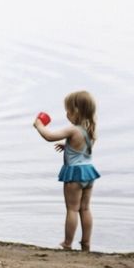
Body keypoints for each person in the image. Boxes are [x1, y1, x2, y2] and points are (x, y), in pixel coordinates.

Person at [32, 91, 100, 251]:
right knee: (85, 208)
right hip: (88, 173)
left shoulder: (73, 130)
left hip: (75, 174)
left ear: (76, 111)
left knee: (72, 209)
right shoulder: (90, 130)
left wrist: (39, 125)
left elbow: (49, 136)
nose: (66, 114)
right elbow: (82, 149)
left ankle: (67, 243)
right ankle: (86, 242)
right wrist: (67, 146)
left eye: (68, 110)